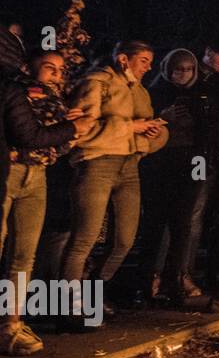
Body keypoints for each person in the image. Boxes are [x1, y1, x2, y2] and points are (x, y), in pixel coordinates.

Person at [62, 41, 169, 308]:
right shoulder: (98, 83)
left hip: (129, 167)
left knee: (124, 240)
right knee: (83, 238)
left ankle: (96, 290)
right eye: (143, 60)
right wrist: (130, 126)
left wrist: (156, 134)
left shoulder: (141, 92)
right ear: (123, 59)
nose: (148, 67)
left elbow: (146, 130)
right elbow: (80, 130)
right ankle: (68, 305)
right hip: (97, 163)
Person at [1, 51, 89, 353]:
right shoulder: (18, 90)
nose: (55, 74)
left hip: (37, 176)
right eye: (48, 67)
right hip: (9, 172)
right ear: (30, 67)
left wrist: (70, 132)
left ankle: (11, 323)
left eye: (60, 69)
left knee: (24, 255)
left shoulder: (57, 101)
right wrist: (71, 128)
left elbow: (56, 145)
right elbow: (29, 134)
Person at [139, 49, 212, 303]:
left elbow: (210, 129)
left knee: (186, 221)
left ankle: (179, 276)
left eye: (188, 69)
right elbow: (142, 125)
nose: (182, 74)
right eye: (177, 69)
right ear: (167, 69)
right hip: (161, 162)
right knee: (157, 221)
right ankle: (150, 276)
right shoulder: (154, 92)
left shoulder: (201, 94)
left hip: (193, 162)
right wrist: (162, 118)